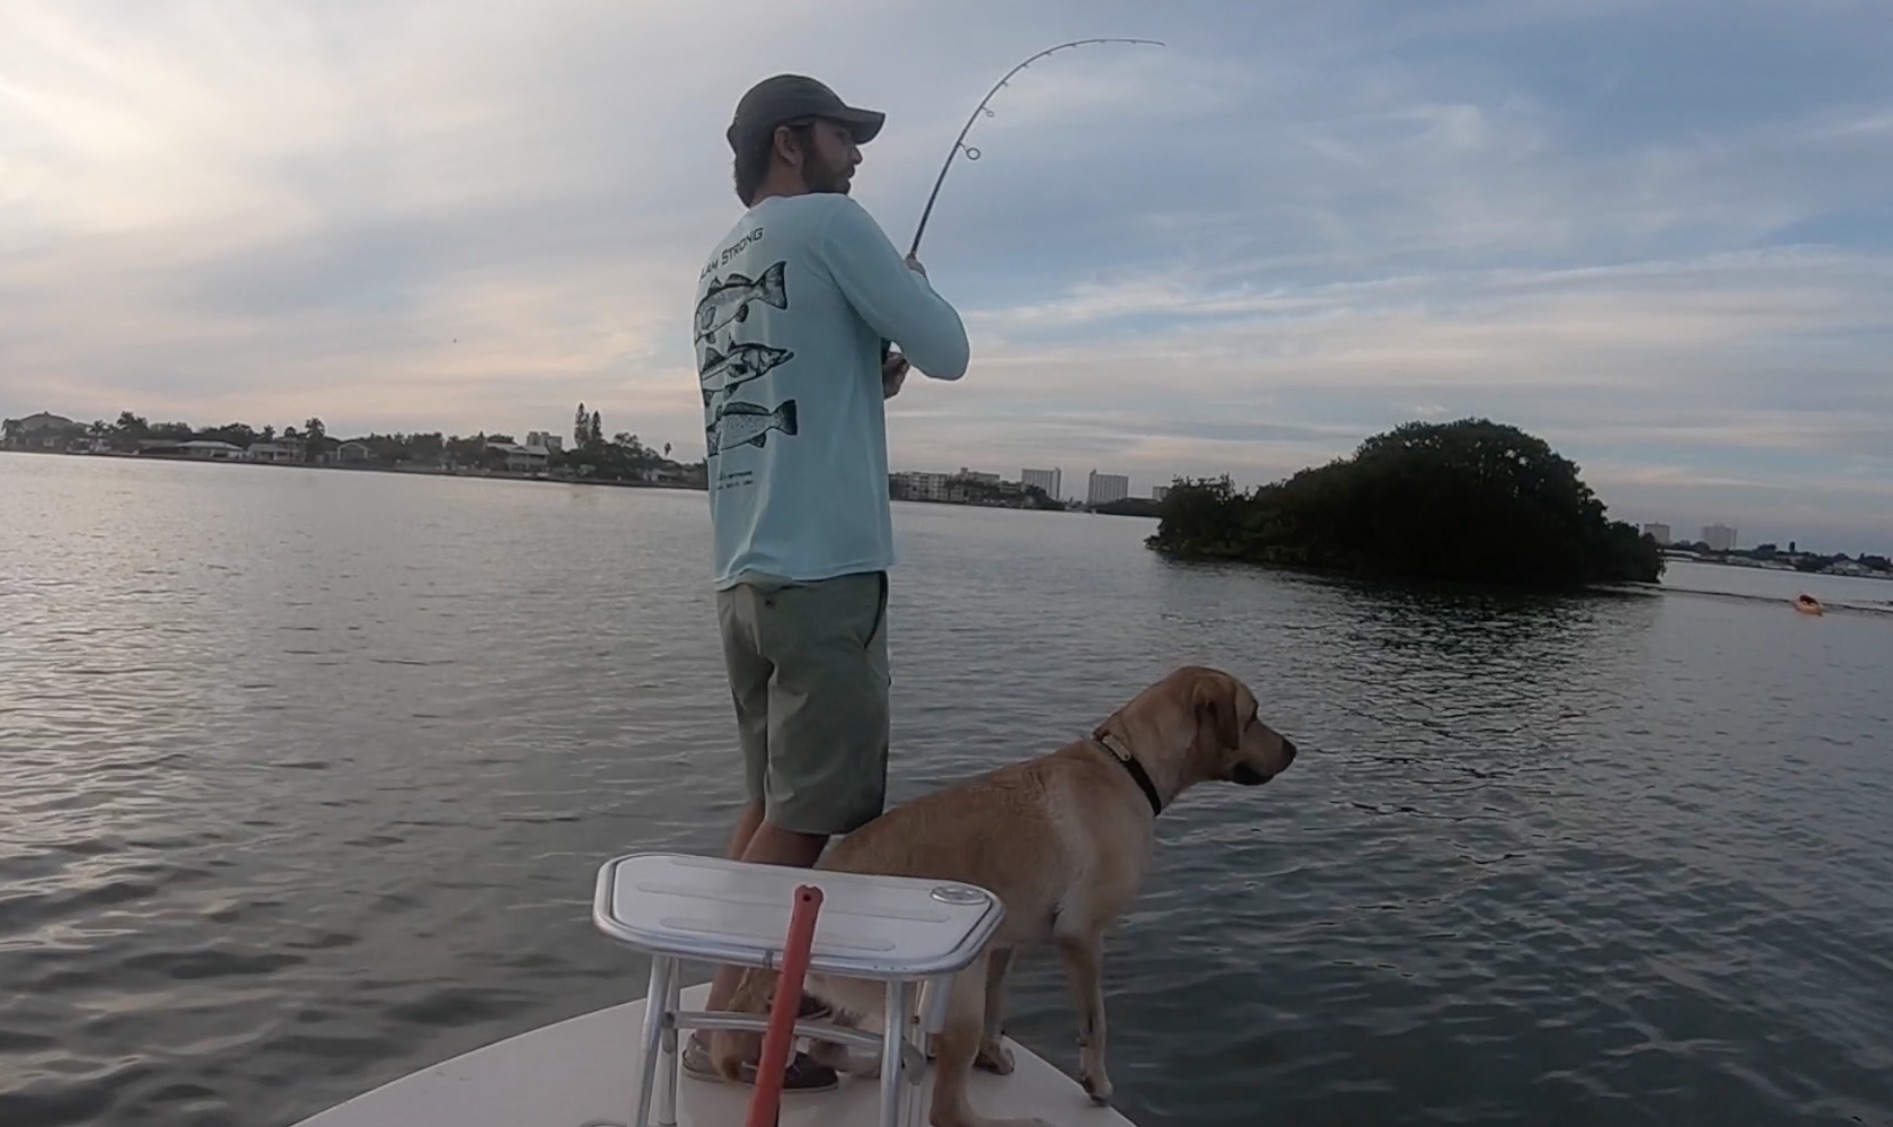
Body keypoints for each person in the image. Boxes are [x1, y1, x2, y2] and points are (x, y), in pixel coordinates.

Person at [681, 73, 971, 1089]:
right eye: (844, 136)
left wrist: (866, 365)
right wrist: (912, 290)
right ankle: (729, 1023)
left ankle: (733, 1002)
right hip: (825, 576)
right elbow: (950, 350)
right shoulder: (835, 228)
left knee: (770, 802)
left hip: (743, 577)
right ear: (793, 143)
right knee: (806, 815)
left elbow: (794, 380)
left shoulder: (722, 263)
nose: (858, 155)